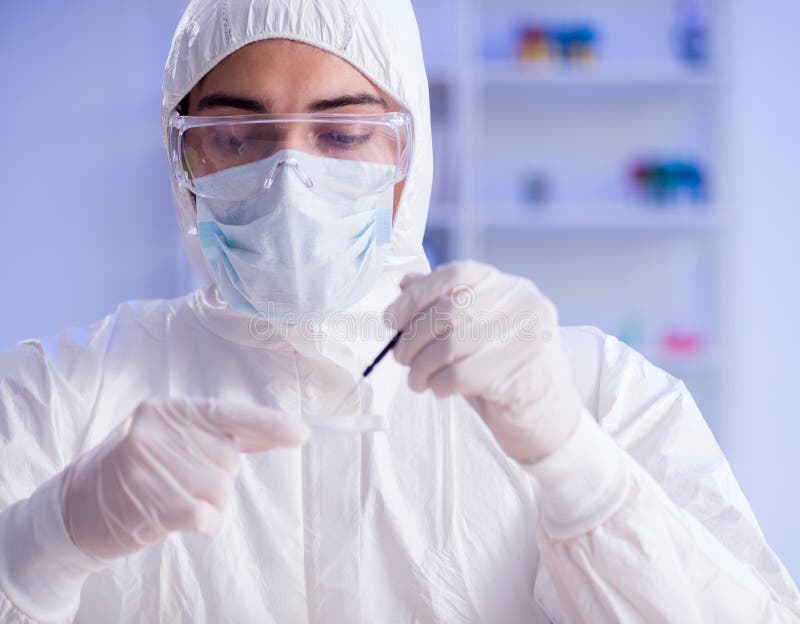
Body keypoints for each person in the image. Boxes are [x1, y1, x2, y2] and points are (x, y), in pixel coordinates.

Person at [1, 1, 798, 622]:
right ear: (182, 155)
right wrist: (47, 541)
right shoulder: (55, 396)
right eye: (236, 136)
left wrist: (573, 462)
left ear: (408, 157)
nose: (289, 177)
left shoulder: (596, 393)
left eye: (344, 133)